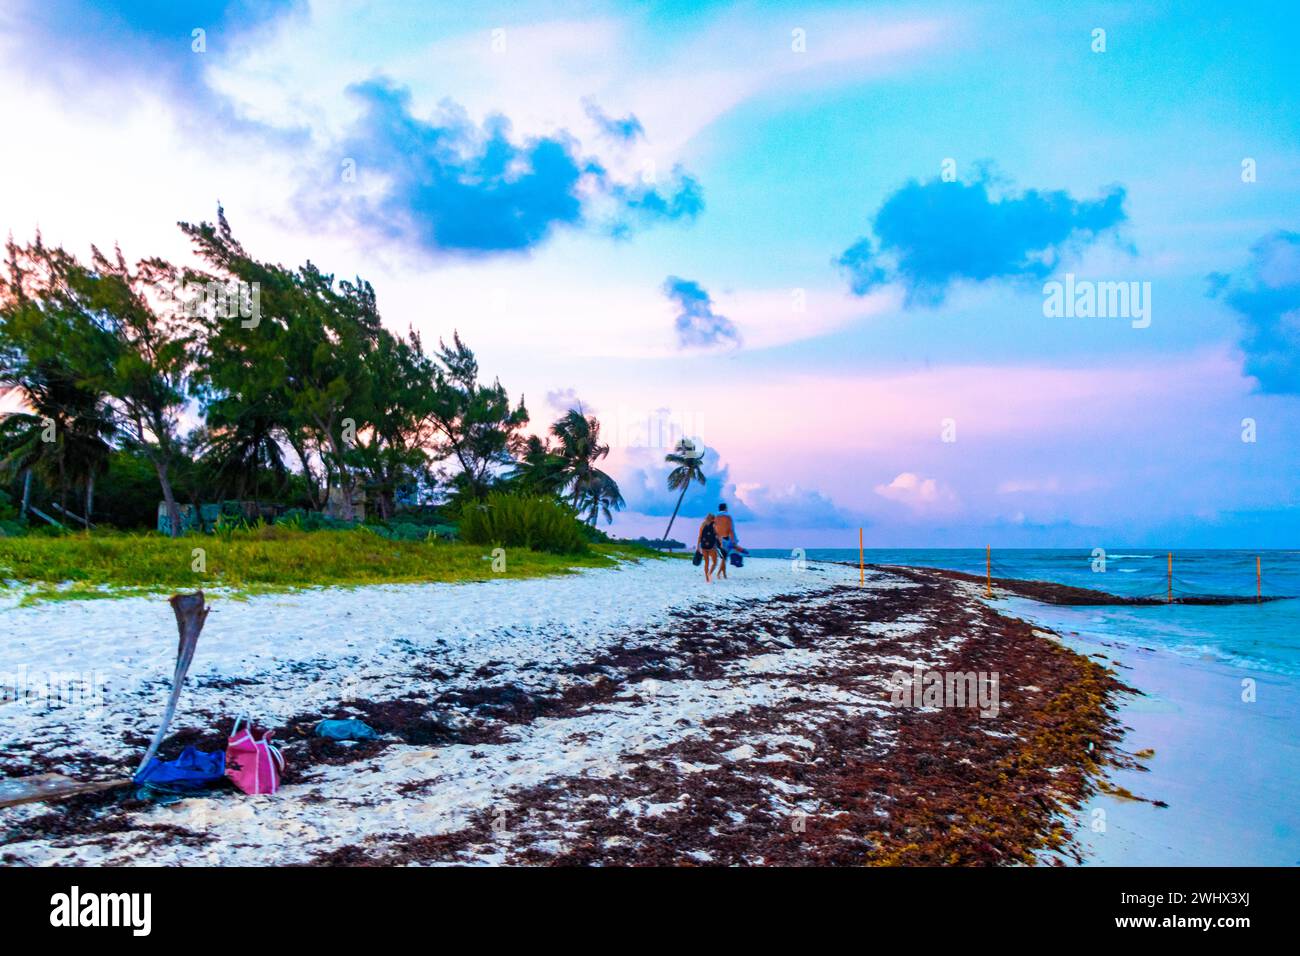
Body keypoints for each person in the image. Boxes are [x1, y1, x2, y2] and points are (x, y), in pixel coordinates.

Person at [714, 502, 738, 578]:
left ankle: (724, 574)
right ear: (725, 508)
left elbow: (714, 528)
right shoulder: (728, 517)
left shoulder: (715, 517)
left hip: (717, 539)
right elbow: (731, 529)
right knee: (724, 558)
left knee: (724, 557)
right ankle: (719, 574)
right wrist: (734, 540)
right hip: (726, 539)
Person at [697, 513, 720, 583]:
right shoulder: (714, 525)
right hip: (712, 547)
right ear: (713, 518)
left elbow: (700, 536)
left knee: (706, 562)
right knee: (715, 562)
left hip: (704, 546)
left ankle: (707, 577)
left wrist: (698, 546)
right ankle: (710, 573)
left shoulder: (702, 525)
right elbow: (717, 535)